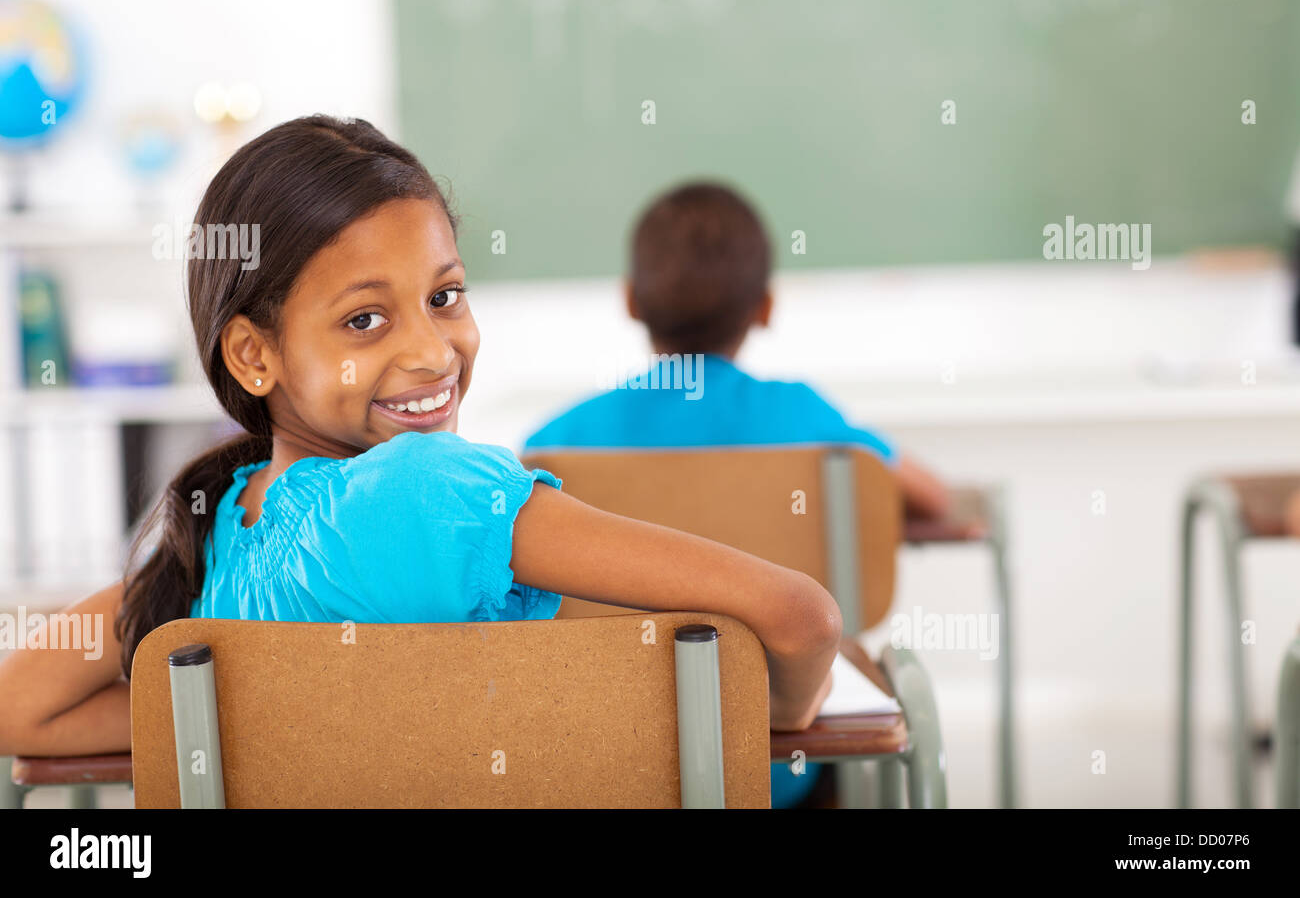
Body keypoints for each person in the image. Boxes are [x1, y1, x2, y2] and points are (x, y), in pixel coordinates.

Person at [0, 118, 840, 767]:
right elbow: (800, 617)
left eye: (445, 297)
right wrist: (784, 714)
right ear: (254, 354)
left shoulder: (216, 532)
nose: (433, 353)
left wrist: (225, 732)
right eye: (364, 320)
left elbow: (21, 705)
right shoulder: (439, 491)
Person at [524, 181, 953, 806]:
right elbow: (933, 499)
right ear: (766, 306)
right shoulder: (808, 422)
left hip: (610, 764)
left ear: (630, 301)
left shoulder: (555, 446)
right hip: (787, 758)